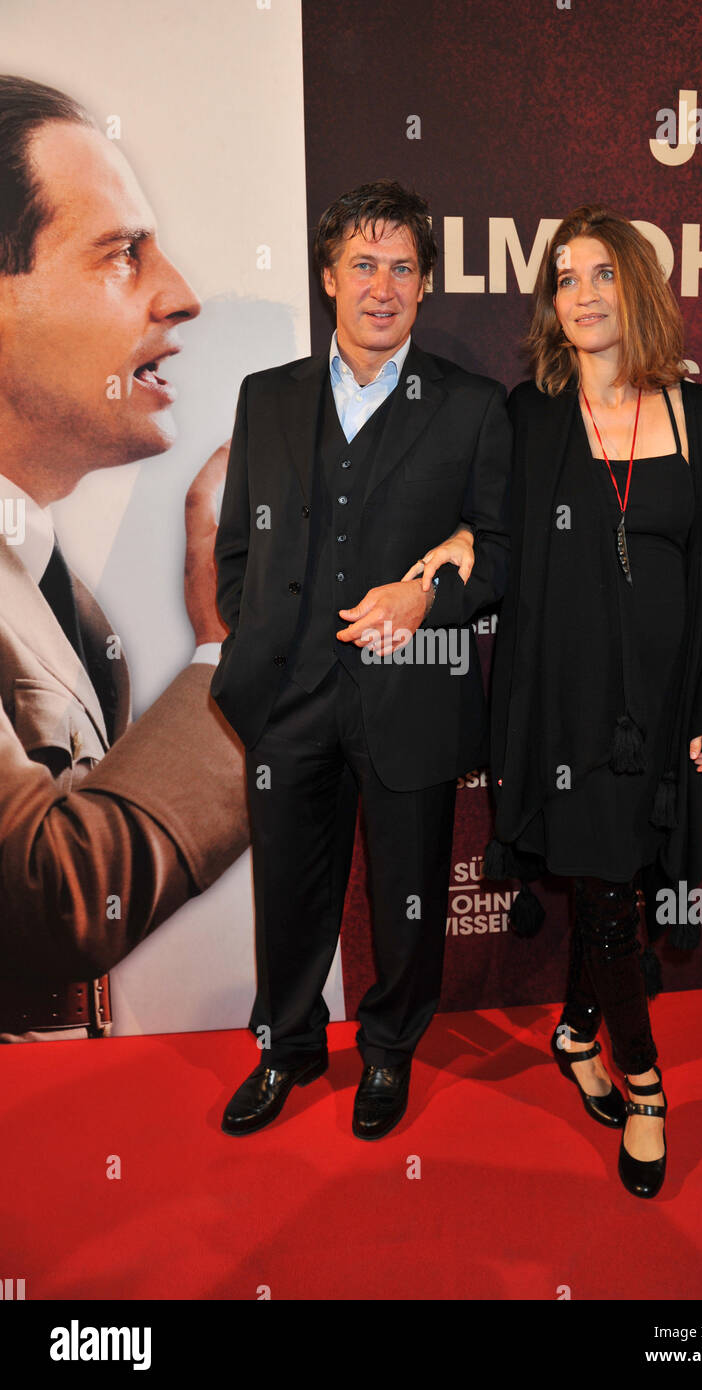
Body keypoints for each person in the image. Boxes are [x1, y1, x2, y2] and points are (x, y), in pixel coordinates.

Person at [210, 180, 511, 1141]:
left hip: (411, 697)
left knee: (406, 894)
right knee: (289, 893)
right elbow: (237, 554)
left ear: (425, 287)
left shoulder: (471, 407)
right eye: (364, 265)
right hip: (289, 698)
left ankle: (387, 1050)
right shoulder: (269, 398)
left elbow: (502, 552)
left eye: (403, 268)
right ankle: (289, 1046)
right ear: (330, 277)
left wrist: (431, 597)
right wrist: (260, 643)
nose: (383, 287)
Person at [485, 205, 702, 1197]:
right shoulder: (529, 415)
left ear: (633, 287)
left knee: (623, 883)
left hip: (666, 701)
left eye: (599, 273)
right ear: (549, 306)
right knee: (605, 894)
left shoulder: (696, 412)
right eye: (563, 278)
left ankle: (570, 1030)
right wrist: (436, 563)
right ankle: (643, 1088)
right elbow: (489, 538)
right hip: (565, 712)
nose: (581, 294)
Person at [0, 76, 249, 1040]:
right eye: (121, 255)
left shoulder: (57, 585)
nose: (178, 295)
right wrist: (234, 649)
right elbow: (54, 892)